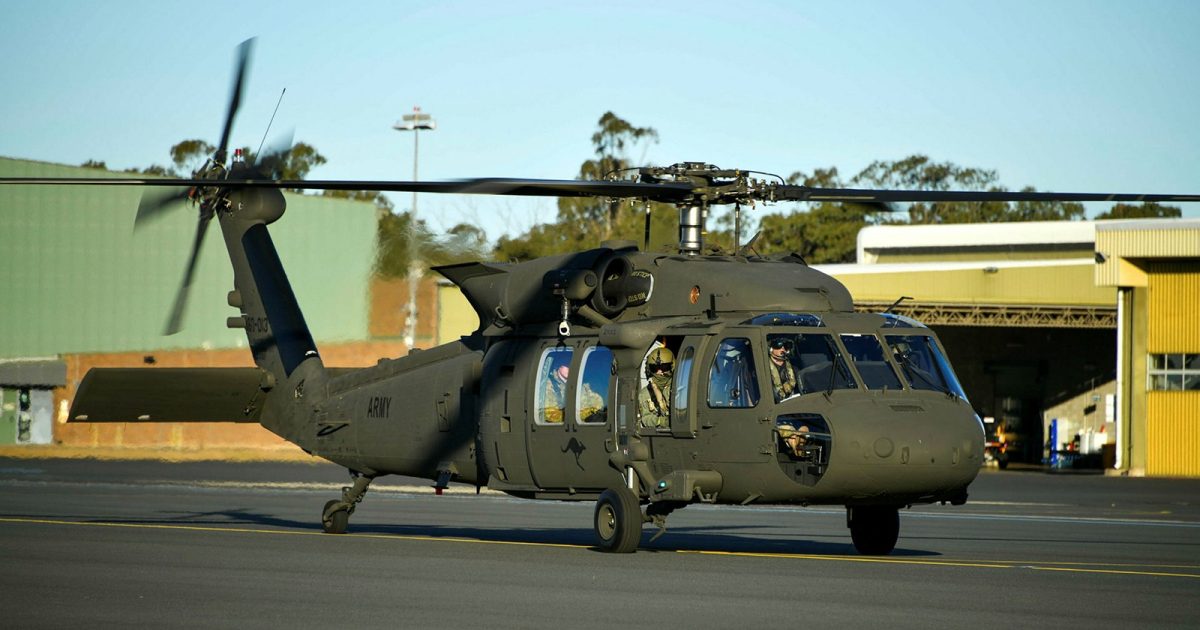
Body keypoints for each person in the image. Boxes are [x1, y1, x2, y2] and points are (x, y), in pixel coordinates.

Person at [638, 346, 674, 429]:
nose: (659, 372)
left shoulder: (679, 386)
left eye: (664, 367)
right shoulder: (645, 393)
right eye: (655, 368)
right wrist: (660, 421)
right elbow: (645, 418)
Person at [542, 353, 570, 423]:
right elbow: (545, 413)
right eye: (567, 365)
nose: (570, 367)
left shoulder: (580, 384)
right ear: (559, 366)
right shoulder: (546, 384)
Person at [768, 337, 798, 402]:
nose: (783, 349)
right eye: (778, 346)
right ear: (771, 348)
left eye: (785, 347)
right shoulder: (765, 368)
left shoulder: (793, 366)